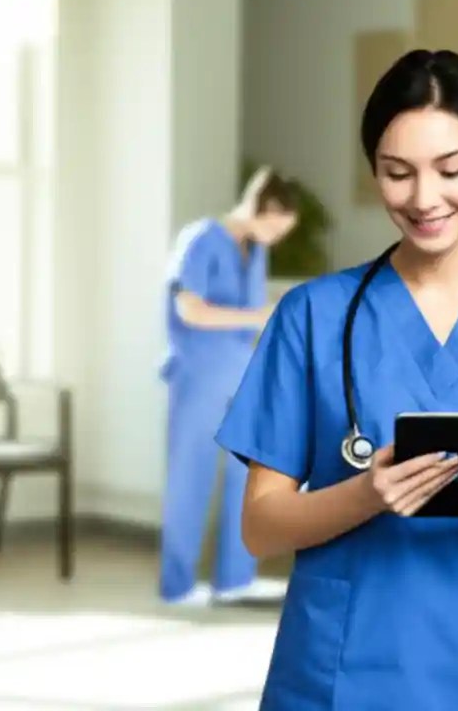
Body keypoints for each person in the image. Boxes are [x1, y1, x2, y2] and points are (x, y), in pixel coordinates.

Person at [217, 48, 458, 708]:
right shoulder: (314, 317)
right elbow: (260, 527)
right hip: (344, 676)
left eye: (451, 170)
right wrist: (366, 495)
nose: (424, 199)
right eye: (396, 173)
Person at [158, 166, 298, 605]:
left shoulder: (255, 250)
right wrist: (258, 318)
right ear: (260, 208)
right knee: (191, 477)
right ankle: (177, 585)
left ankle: (235, 579)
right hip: (198, 374)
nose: (276, 237)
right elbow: (191, 311)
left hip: (242, 375)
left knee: (250, 475)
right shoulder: (200, 240)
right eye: (275, 226)